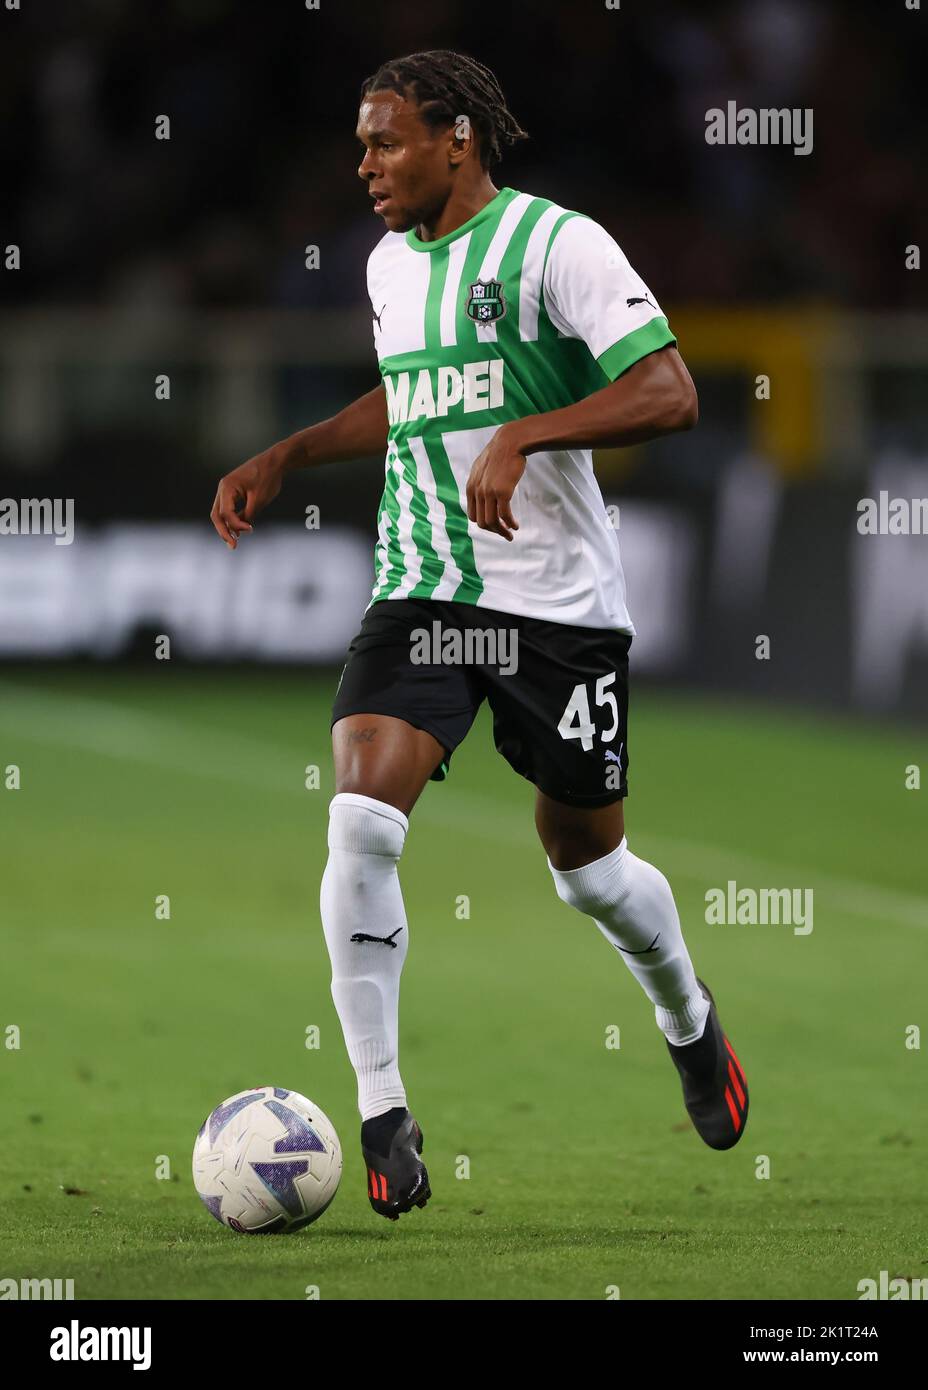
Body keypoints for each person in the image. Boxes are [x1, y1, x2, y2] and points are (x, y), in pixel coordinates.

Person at [210, 49, 748, 1221]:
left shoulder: (561, 245)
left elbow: (670, 391)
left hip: (557, 611)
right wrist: (291, 449)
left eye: (385, 142)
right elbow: (412, 393)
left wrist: (530, 434)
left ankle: (686, 1019)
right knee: (359, 811)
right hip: (428, 586)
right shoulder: (389, 264)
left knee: (591, 875)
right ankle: (382, 1108)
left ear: (457, 138)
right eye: (360, 144)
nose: (365, 166)